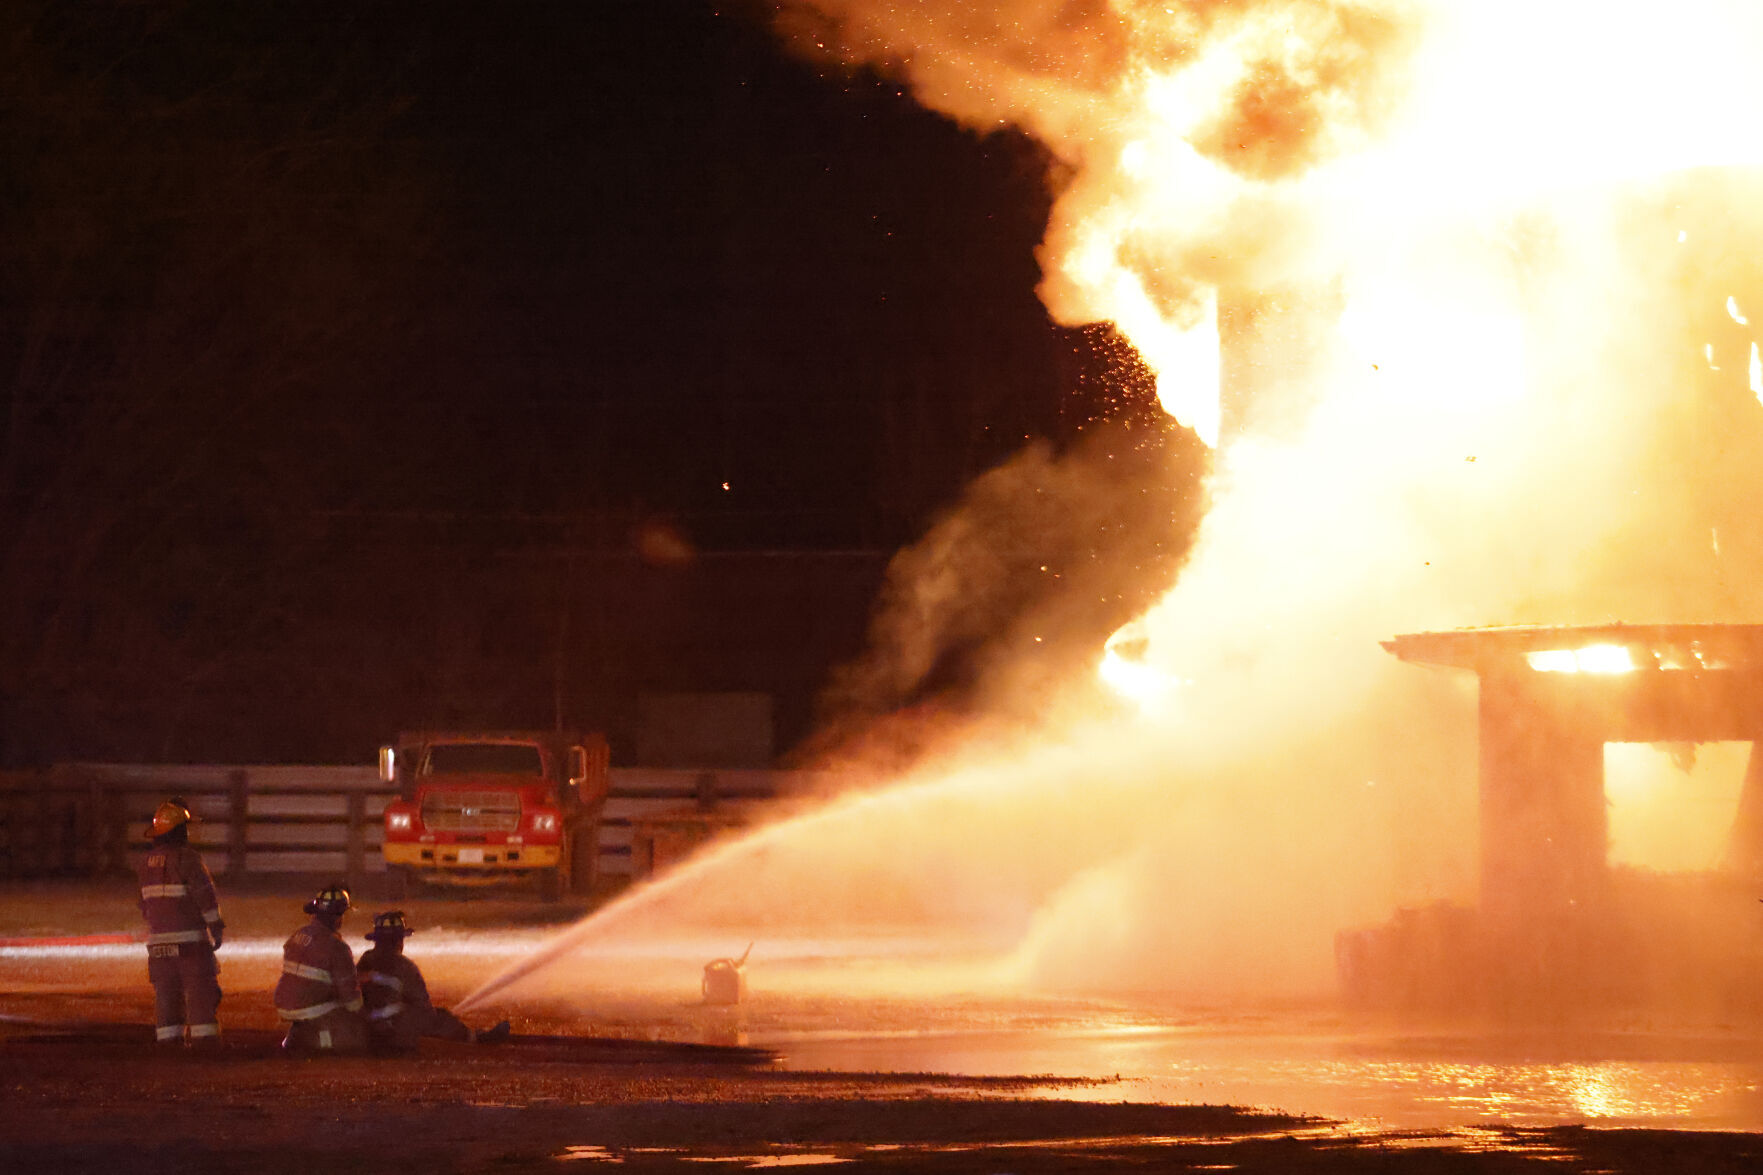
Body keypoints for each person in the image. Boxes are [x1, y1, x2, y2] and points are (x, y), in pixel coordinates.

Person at [136, 797, 226, 1047]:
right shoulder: (188, 859)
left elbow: (143, 905)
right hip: (191, 945)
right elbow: (205, 897)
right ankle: (204, 1045)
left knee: (166, 998)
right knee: (201, 994)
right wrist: (216, 927)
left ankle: (168, 1047)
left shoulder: (145, 864)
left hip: (158, 947)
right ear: (179, 831)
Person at [357, 910, 511, 1051]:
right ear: (399, 941)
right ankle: (475, 1038)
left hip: (366, 1031)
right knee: (441, 1017)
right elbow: (424, 1009)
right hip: (394, 1036)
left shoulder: (365, 960)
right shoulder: (406, 967)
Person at [274, 883, 369, 1054]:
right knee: (354, 1028)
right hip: (309, 1008)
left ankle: (295, 1036)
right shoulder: (337, 947)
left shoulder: (297, 936)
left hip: (285, 1003)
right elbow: (352, 1000)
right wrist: (365, 1018)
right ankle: (323, 1042)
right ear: (337, 917)